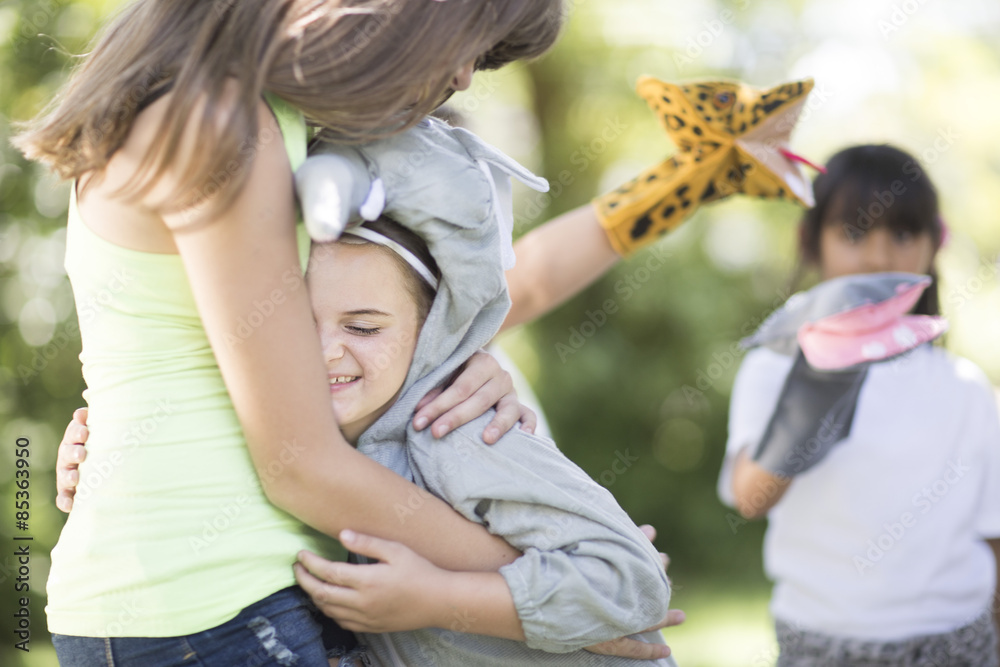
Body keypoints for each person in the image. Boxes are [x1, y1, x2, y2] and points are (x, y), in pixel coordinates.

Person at [13, 1, 589, 664]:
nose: (463, 76)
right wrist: (553, 586)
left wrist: (450, 368)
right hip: (216, 612)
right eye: (469, 39)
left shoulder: (242, 115)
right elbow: (303, 466)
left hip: (201, 603)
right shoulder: (217, 123)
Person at [718, 144, 1000, 666]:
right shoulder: (775, 368)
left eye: (903, 233)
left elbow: (994, 538)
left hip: (957, 644)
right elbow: (751, 498)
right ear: (811, 241)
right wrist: (817, 385)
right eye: (853, 233)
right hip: (820, 644)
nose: (877, 257)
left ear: (934, 245)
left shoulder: (966, 387)